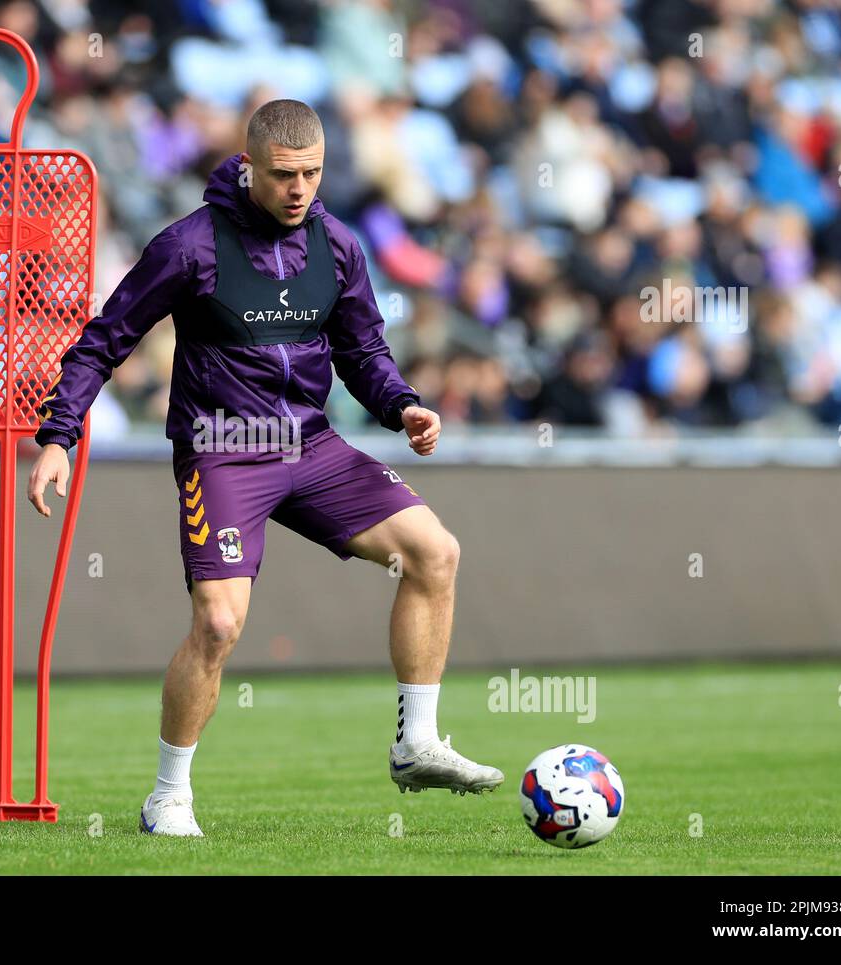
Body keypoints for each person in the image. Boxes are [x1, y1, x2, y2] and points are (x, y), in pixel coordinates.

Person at [27, 99, 503, 836]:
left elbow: (363, 350)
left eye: (312, 173)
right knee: (218, 623)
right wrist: (59, 434)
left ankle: (417, 743)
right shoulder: (190, 246)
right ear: (248, 165)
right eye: (285, 174)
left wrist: (401, 405)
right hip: (221, 445)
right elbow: (102, 340)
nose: (299, 189)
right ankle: (168, 795)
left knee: (435, 551)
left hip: (310, 445)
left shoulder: (338, 246)